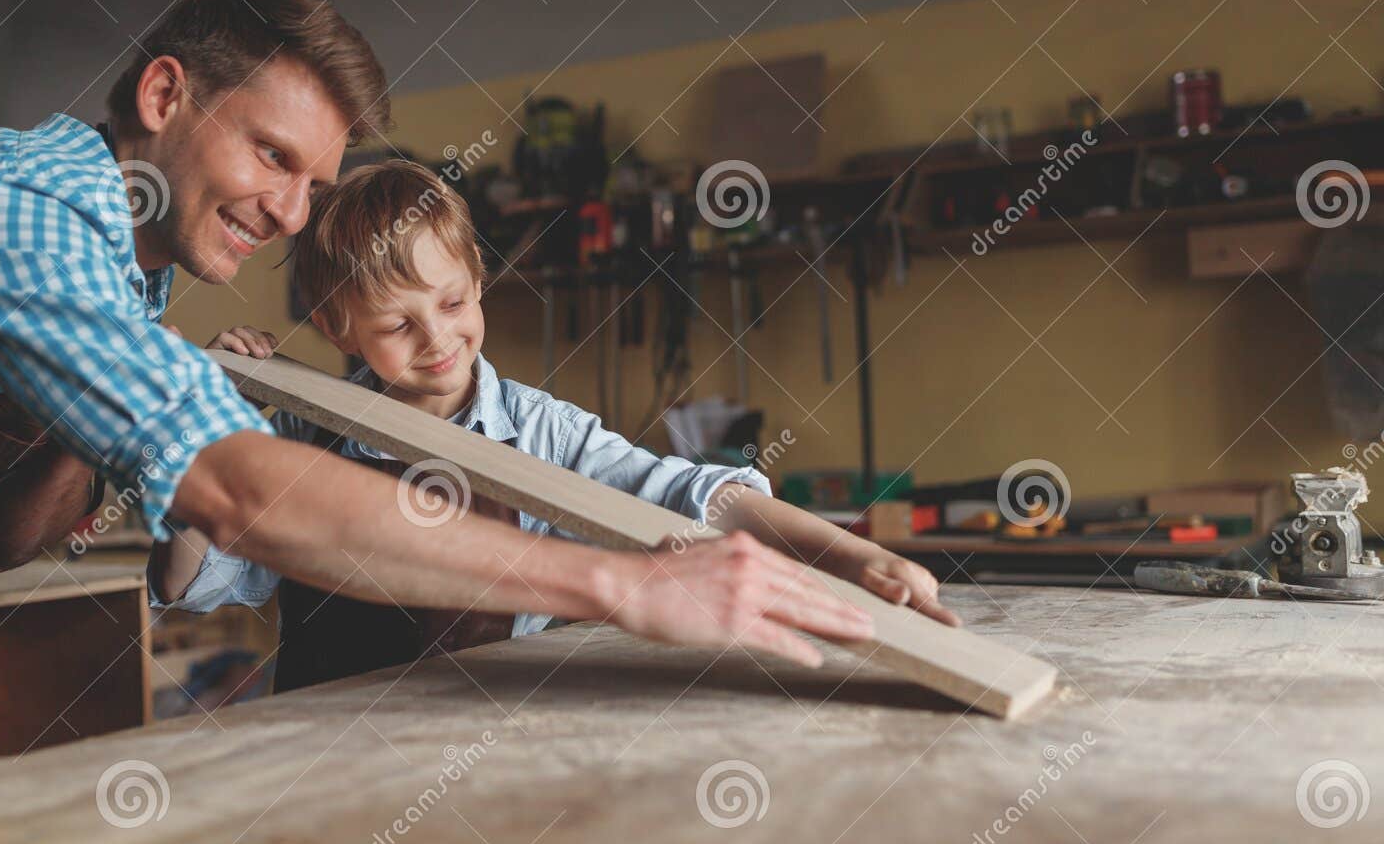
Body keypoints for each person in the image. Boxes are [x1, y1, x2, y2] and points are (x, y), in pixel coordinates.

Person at [0, 0, 875, 806]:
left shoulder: (128, 272)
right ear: (164, 94)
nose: (293, 213)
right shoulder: (15, 207)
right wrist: (623, 585)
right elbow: (229, 491)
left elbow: (8, 537)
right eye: (272, 154)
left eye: (312, 181)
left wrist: (128, 371)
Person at [150, 160, 957, 690]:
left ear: (477, 281)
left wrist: (855, 554)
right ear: (336, 327)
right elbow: (191, 581)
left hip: (487, 738)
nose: (438, 340)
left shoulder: (544, 432)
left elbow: (698, 499)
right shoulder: (297, 432)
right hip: (321, 749)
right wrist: (199, 428)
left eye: (454, 303)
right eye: (397, 325)